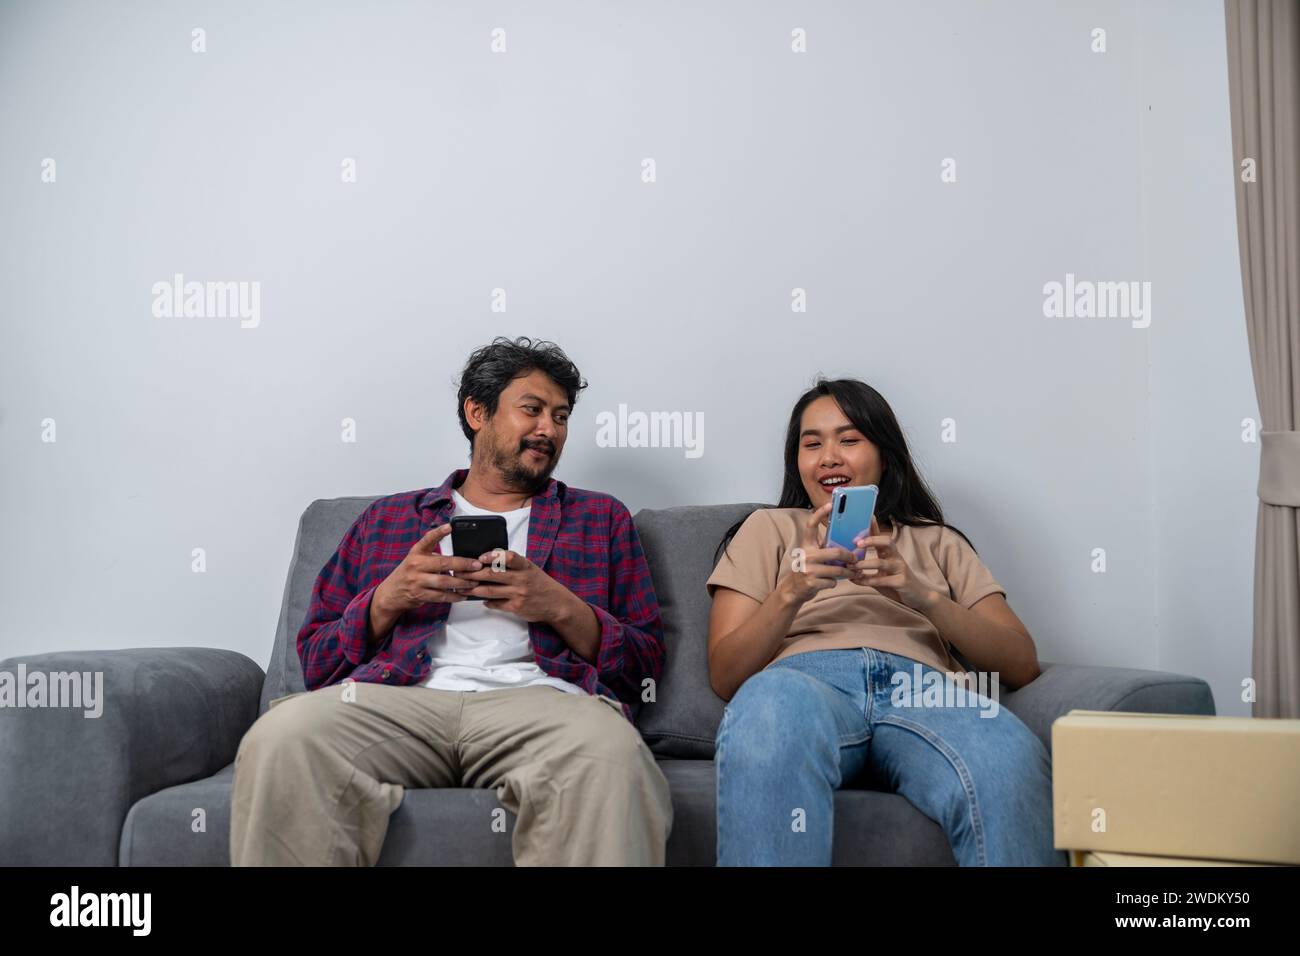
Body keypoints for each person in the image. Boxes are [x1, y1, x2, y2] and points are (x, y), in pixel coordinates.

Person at [230, 336, 672, 866]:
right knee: (282, 737)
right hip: (398, 702)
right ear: (477, 411)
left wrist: (558, 605)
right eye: (532, 409)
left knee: (613, 755)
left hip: (544, 703)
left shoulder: (600, 518)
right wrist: (387, 599)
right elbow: (317, 663)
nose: (549, 430)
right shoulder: (388, 519)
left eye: (561, 416)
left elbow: (645, 668)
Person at [706, 377, 1065, 866]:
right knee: (768, 712)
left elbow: (1021, 663)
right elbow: (726, 674)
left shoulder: (937, 540)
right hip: (803, 683)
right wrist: (791, 591)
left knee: (1008, 756)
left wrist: (921, 595)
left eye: (849, 439)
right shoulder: (767, 528)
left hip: (927, 691)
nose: (828, 457)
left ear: (884, 453)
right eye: (812, 444)